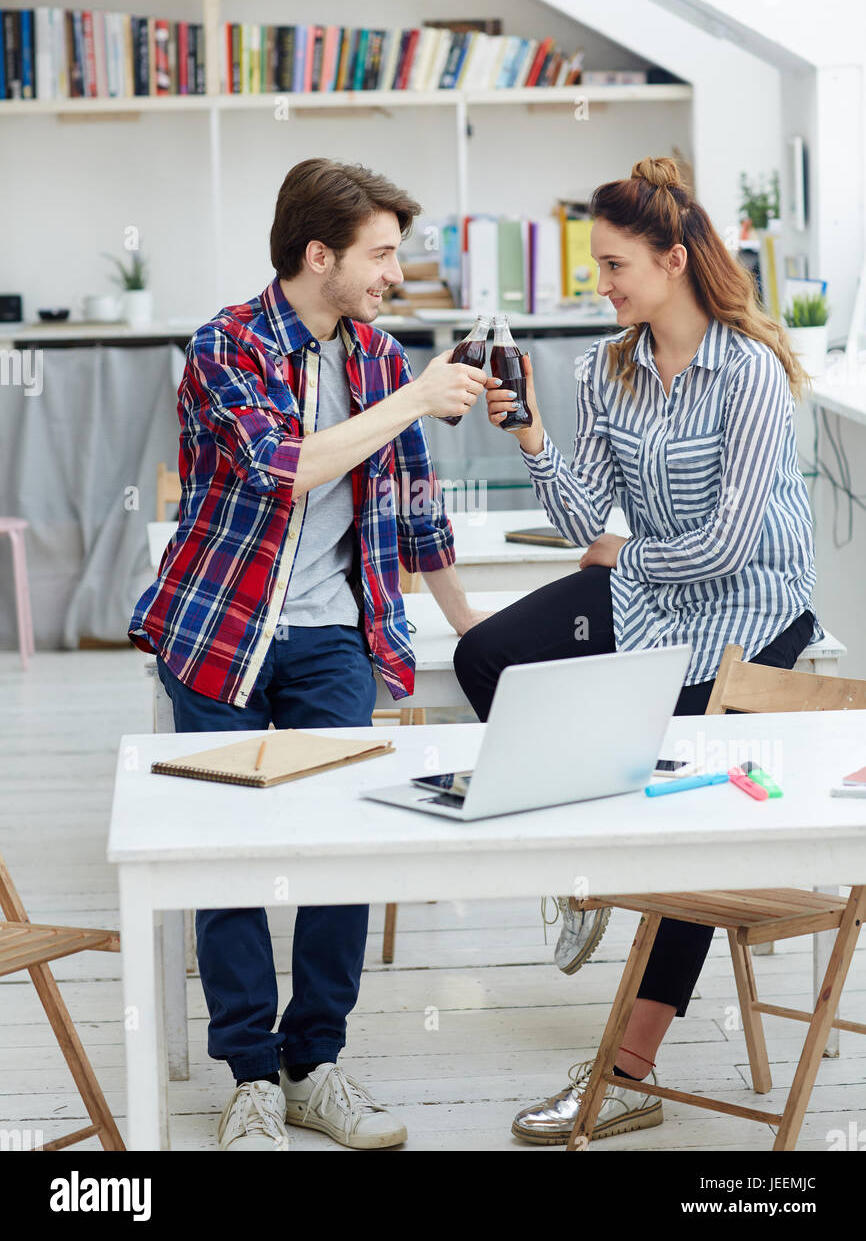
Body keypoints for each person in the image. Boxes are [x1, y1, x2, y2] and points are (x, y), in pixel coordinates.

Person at [453, 155, 822, 1144]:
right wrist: (529, 434)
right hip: (652, 596)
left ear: (671, 259)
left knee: (688, 822)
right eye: (597, 266)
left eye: (614, 265)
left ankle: (625, 1069)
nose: (602, 285)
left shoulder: (746, 375)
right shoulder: (603, 366)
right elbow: (582, 516)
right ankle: (585, 865)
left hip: (751, 618)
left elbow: (727, 549)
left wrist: (624, 557)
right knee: (486, 656)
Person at [129, 158, 490, 1151]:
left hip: (335, 636)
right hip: (218, 632)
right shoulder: (225, 347)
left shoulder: (378, 359)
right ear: (316, 253)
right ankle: (247, 1076)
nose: (392, 276)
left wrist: (477, 639)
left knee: (342, 844)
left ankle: (312, 1062)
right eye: (379, 255)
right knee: (227, 854)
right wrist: (414, 399)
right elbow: (282, 469)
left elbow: (416, 510)